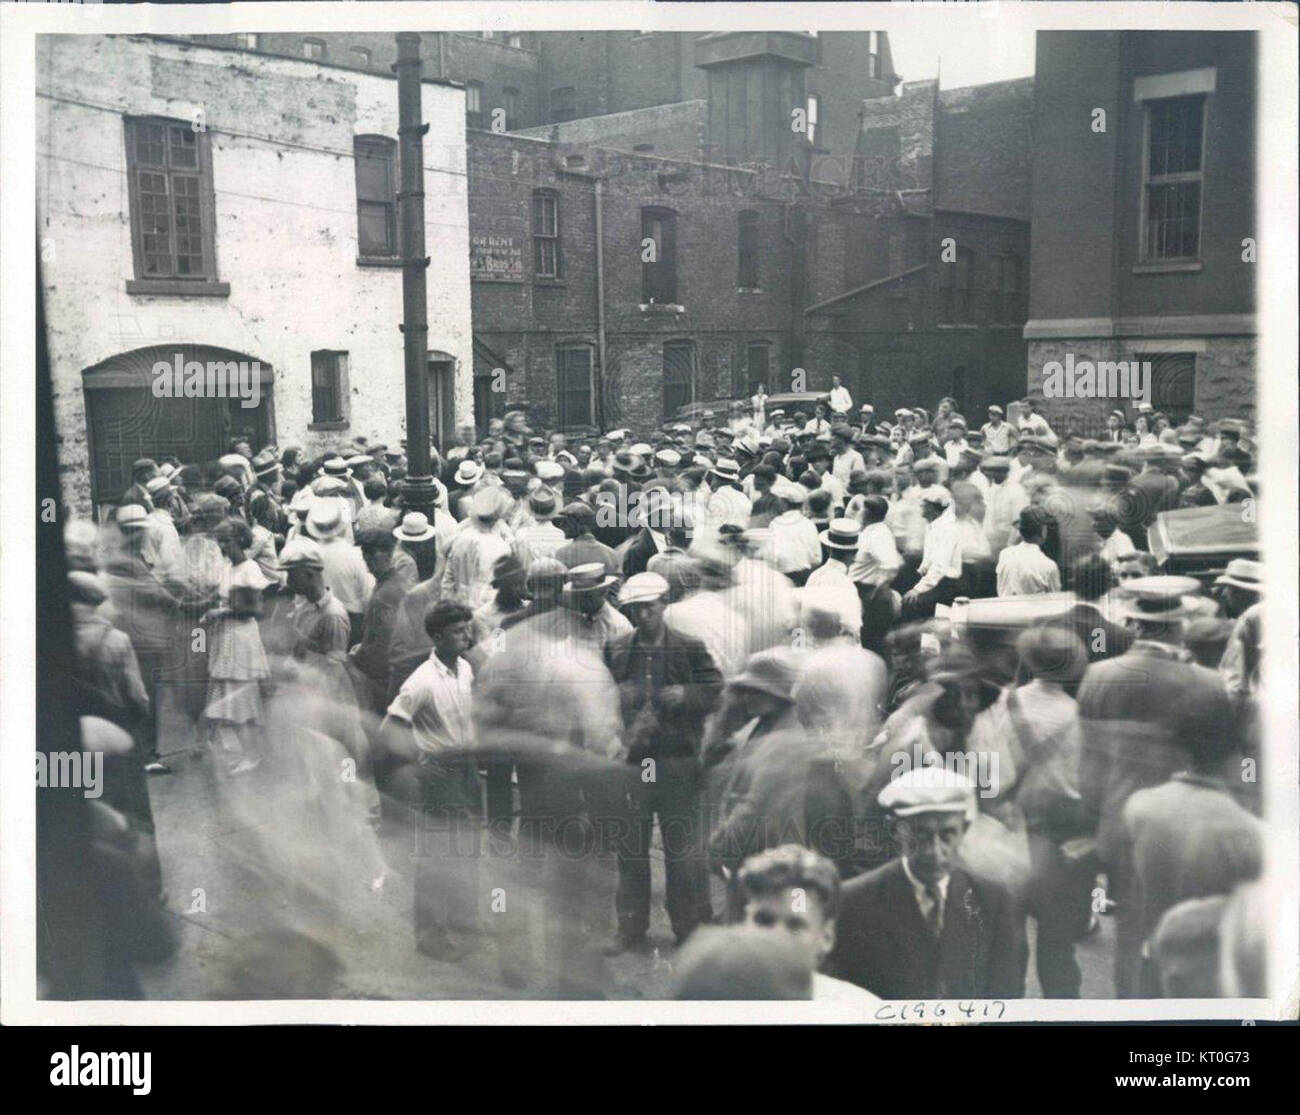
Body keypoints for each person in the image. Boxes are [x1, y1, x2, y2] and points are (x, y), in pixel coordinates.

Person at [827, 768, 1026, 999]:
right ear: (895, 831)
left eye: (947, 834)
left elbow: (1007, 995)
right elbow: (845, 1000)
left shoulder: (993, 901)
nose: (934, 851)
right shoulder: (854, 902)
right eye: (921, 835)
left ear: (964, 830)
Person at [603, 572, 723, 954]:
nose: (642, 617)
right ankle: (631, 928)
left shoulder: (690, 648)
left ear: (663, 605)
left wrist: (687, 694)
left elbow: (717, 691)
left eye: (648, 609)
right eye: (635, 610)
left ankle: (686, 926)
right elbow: (601, 697)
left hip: (676, 761)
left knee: (681, 848)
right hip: (636, 763)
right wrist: (622, 699)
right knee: (631, 848)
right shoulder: (617, 649)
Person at [381, 600, 482, 962]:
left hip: (467, 770)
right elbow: (389, 730)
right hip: (440, 774)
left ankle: (461, 922)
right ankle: (429, 934)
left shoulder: (465, 669)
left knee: (466, 849)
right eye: (458, 631)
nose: (466, 635)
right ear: (437, 636)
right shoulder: (420, 682)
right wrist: (419, 765)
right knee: (436, 855)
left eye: (468, 628)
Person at [1008, 626, 1093, 997]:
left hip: (1009, 828)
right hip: (1060, 832)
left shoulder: (1006, 703)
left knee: (1007, 937)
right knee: (1057, 941)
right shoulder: (1079, 715)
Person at [737, 845, 879, 1003]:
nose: (775, 937)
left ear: (826, 937)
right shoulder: (716, 1001)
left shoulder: (859, 1009)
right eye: (763, 920)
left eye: (795, 925)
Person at [902, 486, 962, 619]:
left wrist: (917, 589)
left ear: (932, 508)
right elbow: (928, 561)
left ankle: (917, 637)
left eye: (924, 506)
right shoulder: (933, 526)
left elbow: (939, 566)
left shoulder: (947, 529)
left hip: (946, 584)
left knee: (911, 603)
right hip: (935, 579)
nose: (921, 508)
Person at [996, 507, 1062, 597]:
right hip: (1035, 610)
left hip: (1005, 608)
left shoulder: (1004, 554)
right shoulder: (1049, 565)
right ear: (1043, 530)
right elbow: (1055, 598)